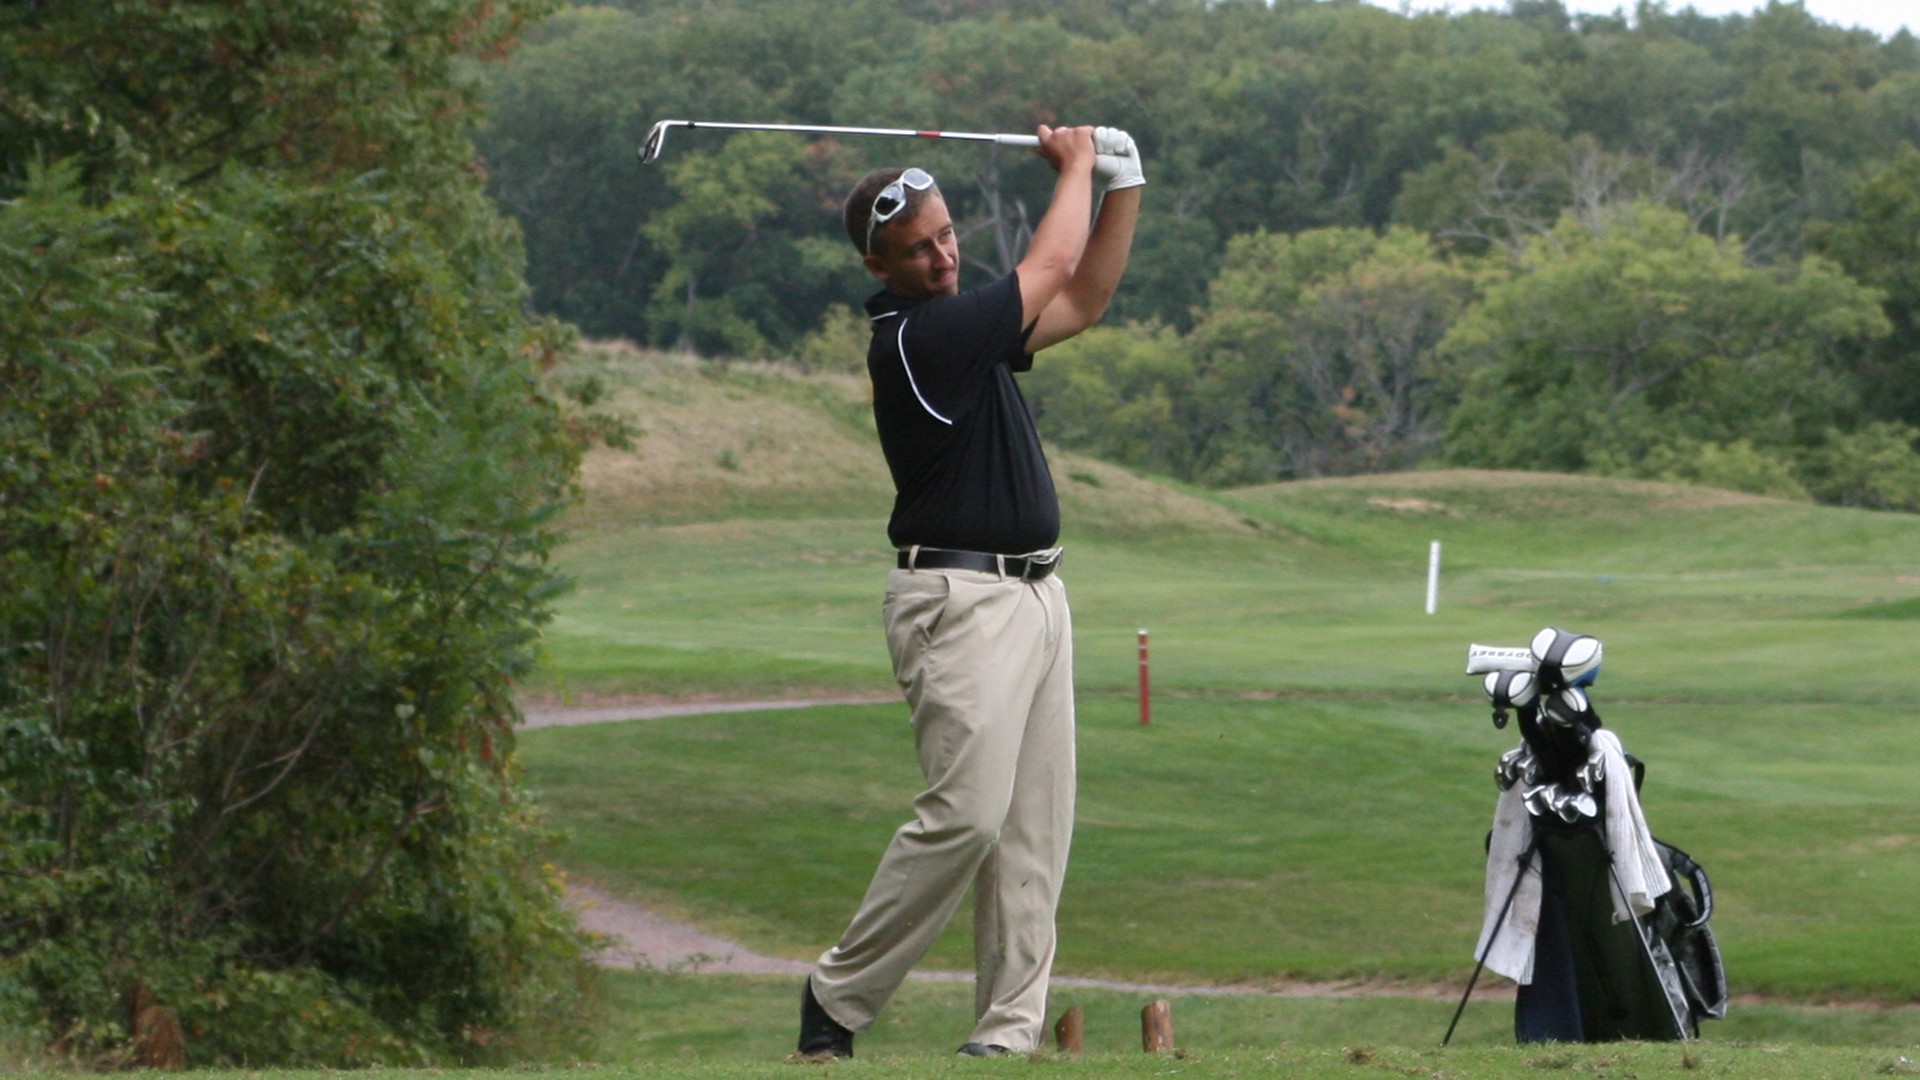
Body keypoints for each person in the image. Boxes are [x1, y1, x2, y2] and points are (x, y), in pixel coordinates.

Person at [794, 124, 1143, 1061]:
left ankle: (1007, 1033)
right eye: (919, 247)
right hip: (959, 603)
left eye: (947, 234)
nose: (944, 254)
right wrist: (1076, 167)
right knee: (968, 815)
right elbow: (1052, 257)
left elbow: (1088, 292)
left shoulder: (965, 326)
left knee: (1034, 833)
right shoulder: (919, 339)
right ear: (879, 263)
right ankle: (837, 993)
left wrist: (1125, 182)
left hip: (1037, 597)